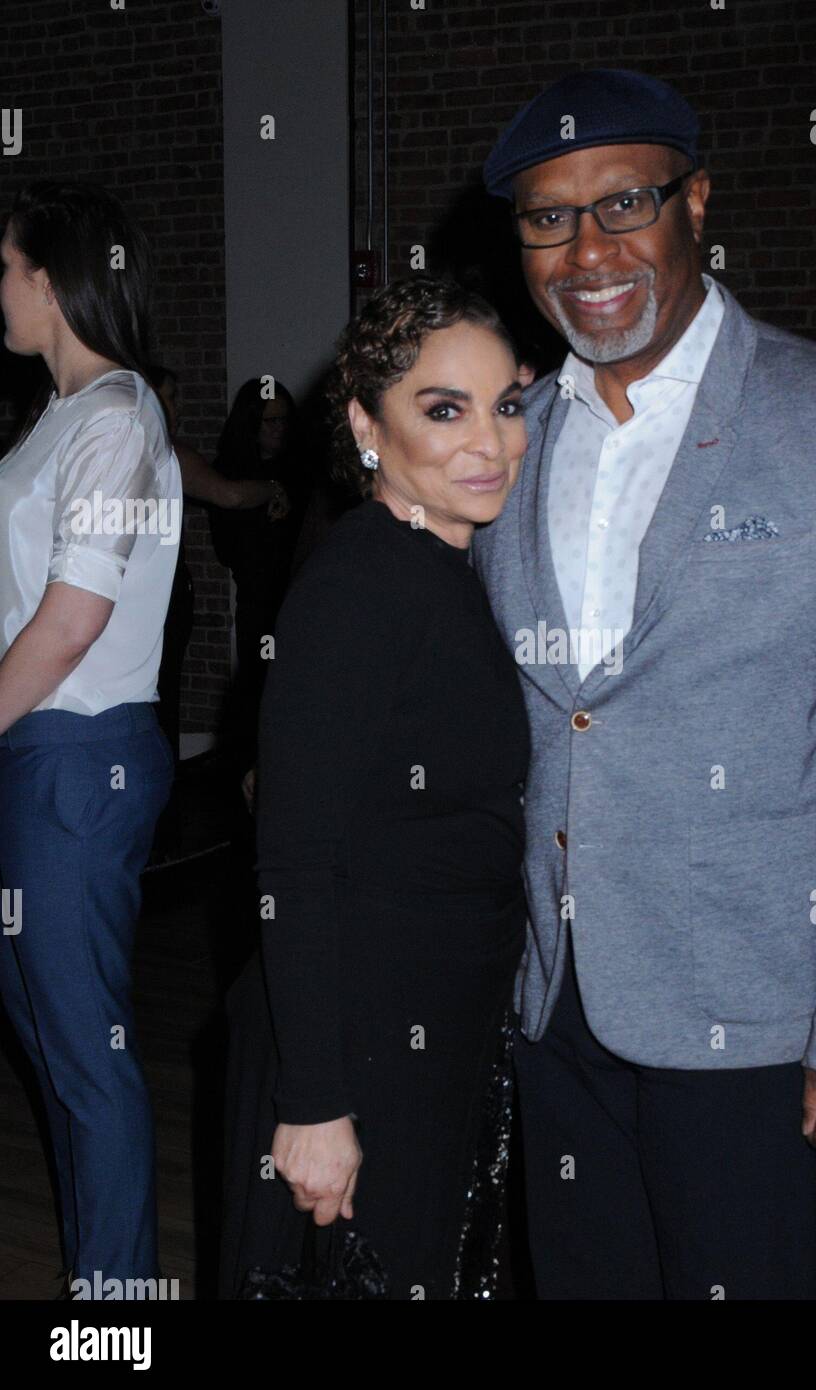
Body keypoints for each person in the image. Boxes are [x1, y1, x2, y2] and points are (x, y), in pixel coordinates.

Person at [474, 68, 816, 1299]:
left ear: (696, 204)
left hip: (752, 1012)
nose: (588, 250)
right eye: (548, 217)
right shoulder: (510, 436)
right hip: (552, 999)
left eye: (623, 203)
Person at [219, 275, 530, 1299]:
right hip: (356, 1036)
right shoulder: (361, 584)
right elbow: (292, 860)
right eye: (444, 409)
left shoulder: (446, 568)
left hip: (432, 1018)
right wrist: (313, 1102)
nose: (489, 442)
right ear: (365, 426)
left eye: (506, 405)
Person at [0, 180, 180, 1295]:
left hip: (77, 755)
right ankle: (97, 1289)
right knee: (56, 1044)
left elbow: (71, 622)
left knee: (87, 1060)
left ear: (52, 281)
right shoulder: (66, 414)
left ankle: (117, 1323)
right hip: (41, 751)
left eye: (6, 266)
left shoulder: (115, 415)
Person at [148, 364, 285, 858]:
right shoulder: (158, 449)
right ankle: (156, 821)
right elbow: (229, 496)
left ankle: (157, 821)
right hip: (148, 599)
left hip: (157, 597)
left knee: (157, 702)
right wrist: (274, 488)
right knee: (154, 705)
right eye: (168, 397)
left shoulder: (145, 449)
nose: (177, 409)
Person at [208, 379, 305, 781]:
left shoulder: (303, 469)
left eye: (285, 420)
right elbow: (228, 549)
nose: (280, 429)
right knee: (257, 690)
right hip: (259, 601)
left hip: (303, 599)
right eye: (270, 421)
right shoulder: (231, 472)